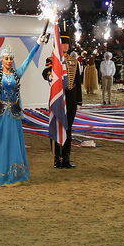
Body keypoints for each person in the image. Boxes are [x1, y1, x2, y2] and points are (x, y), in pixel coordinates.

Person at [0, 36, 46, 186]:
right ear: (2, 60)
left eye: (11, 58)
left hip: (13, 116)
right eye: (6, 58)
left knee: (12, 143)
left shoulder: (17, 74)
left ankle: (13, 174)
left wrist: (37, 44)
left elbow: (29, 60)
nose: (9, 61)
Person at [42, 29, 83, 168]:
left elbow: (78, 81)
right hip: (58, 97)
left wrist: (79, 100)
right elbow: (45, 72)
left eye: (67, 44)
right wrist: (50, 76)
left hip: (70, 98)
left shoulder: (74, 61)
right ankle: (56, 157)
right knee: (56, 126)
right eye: (62, 43)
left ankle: (66, 157)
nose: (65, 46)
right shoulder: (52, 59)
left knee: (68, 128)